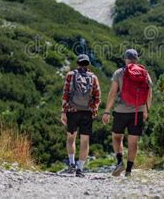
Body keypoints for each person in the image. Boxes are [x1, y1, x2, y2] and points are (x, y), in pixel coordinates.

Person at [102, 49, 153, 177]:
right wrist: (146, 110)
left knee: (117, 136)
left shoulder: (119, 73)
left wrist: (107, 111)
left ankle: (119, 162)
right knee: (133, 141)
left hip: (120, 111)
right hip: (138, 112)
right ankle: (129, 170)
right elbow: (149, 93)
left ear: (125, 59)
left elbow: (112, 93)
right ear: (136, 59)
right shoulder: (145, 73)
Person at [60, 54, 101, 177]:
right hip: (87, 112)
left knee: (71, 138)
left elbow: (65, 94)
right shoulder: (93, 77)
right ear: (88, 64)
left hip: (72, 111)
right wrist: (93, 110)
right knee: (85, 141)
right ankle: (80, 169)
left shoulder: (71, 75)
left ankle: (72, 164)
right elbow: (97, 97)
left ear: (77, 63)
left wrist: (63, 111)